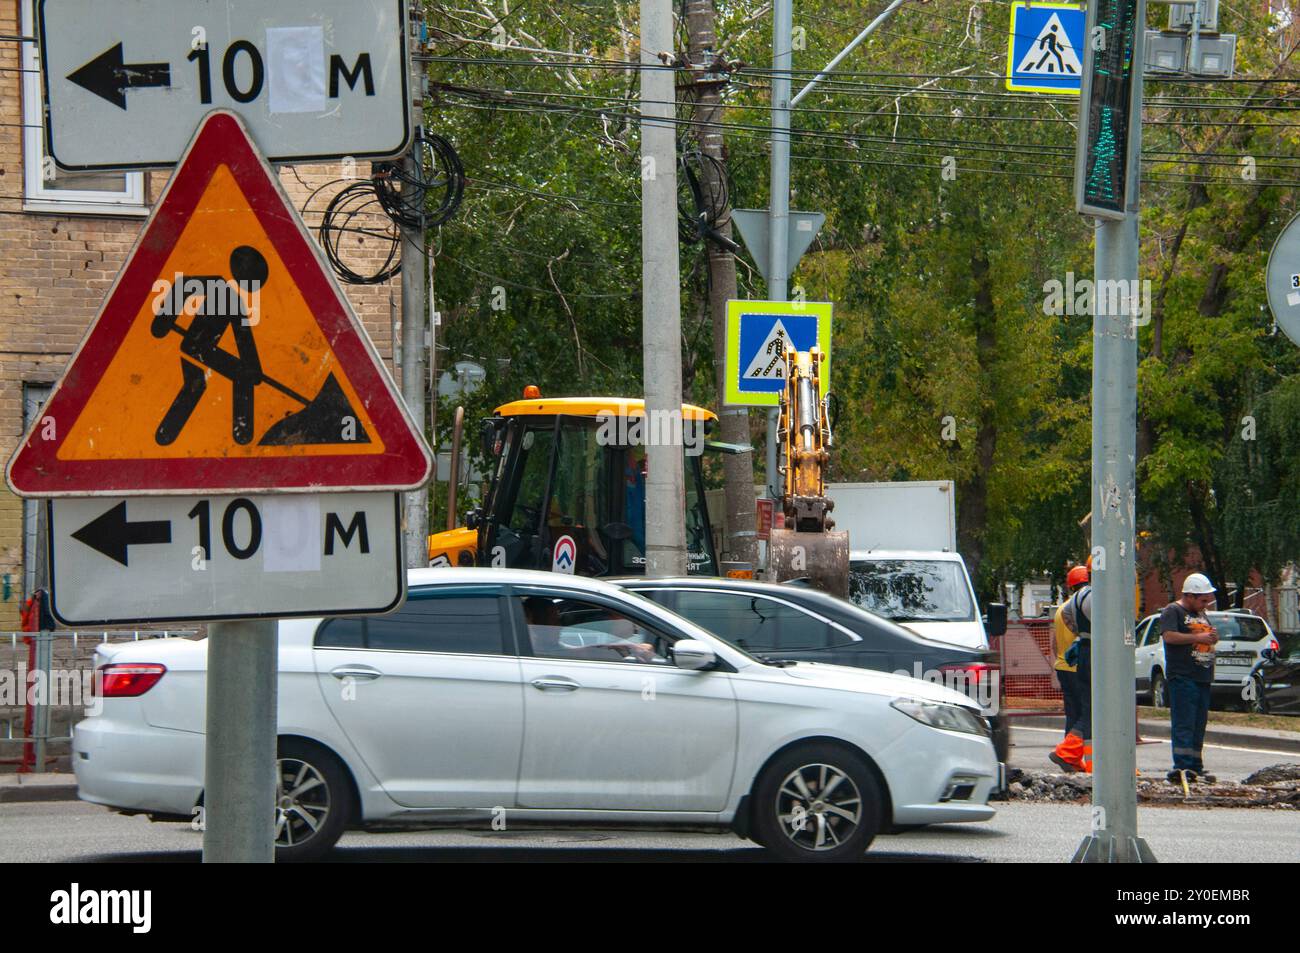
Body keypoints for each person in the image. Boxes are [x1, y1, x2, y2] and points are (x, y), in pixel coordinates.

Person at [1160, 573, 1219, 784]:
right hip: (1183, 675)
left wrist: (1212, 638)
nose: (1206, 604)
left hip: (1202, 674)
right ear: (1190, 596)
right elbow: (1169, 636)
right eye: (1202, 600)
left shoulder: (1201, 613)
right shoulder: (1173, 611)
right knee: (1184, 721)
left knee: (1198, 722)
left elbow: (1206, 635)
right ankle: (1183, 766)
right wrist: (1197, 637)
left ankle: (1196, 765)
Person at [1050, 565, 1092, 772]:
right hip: (1081, 666)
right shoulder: (1085, 606)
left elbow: (1055, 644)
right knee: (1089, 711)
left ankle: (1071, 758)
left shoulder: (1061, 610)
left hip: (1063, 665)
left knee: (1073, 714)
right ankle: (1067, 753)